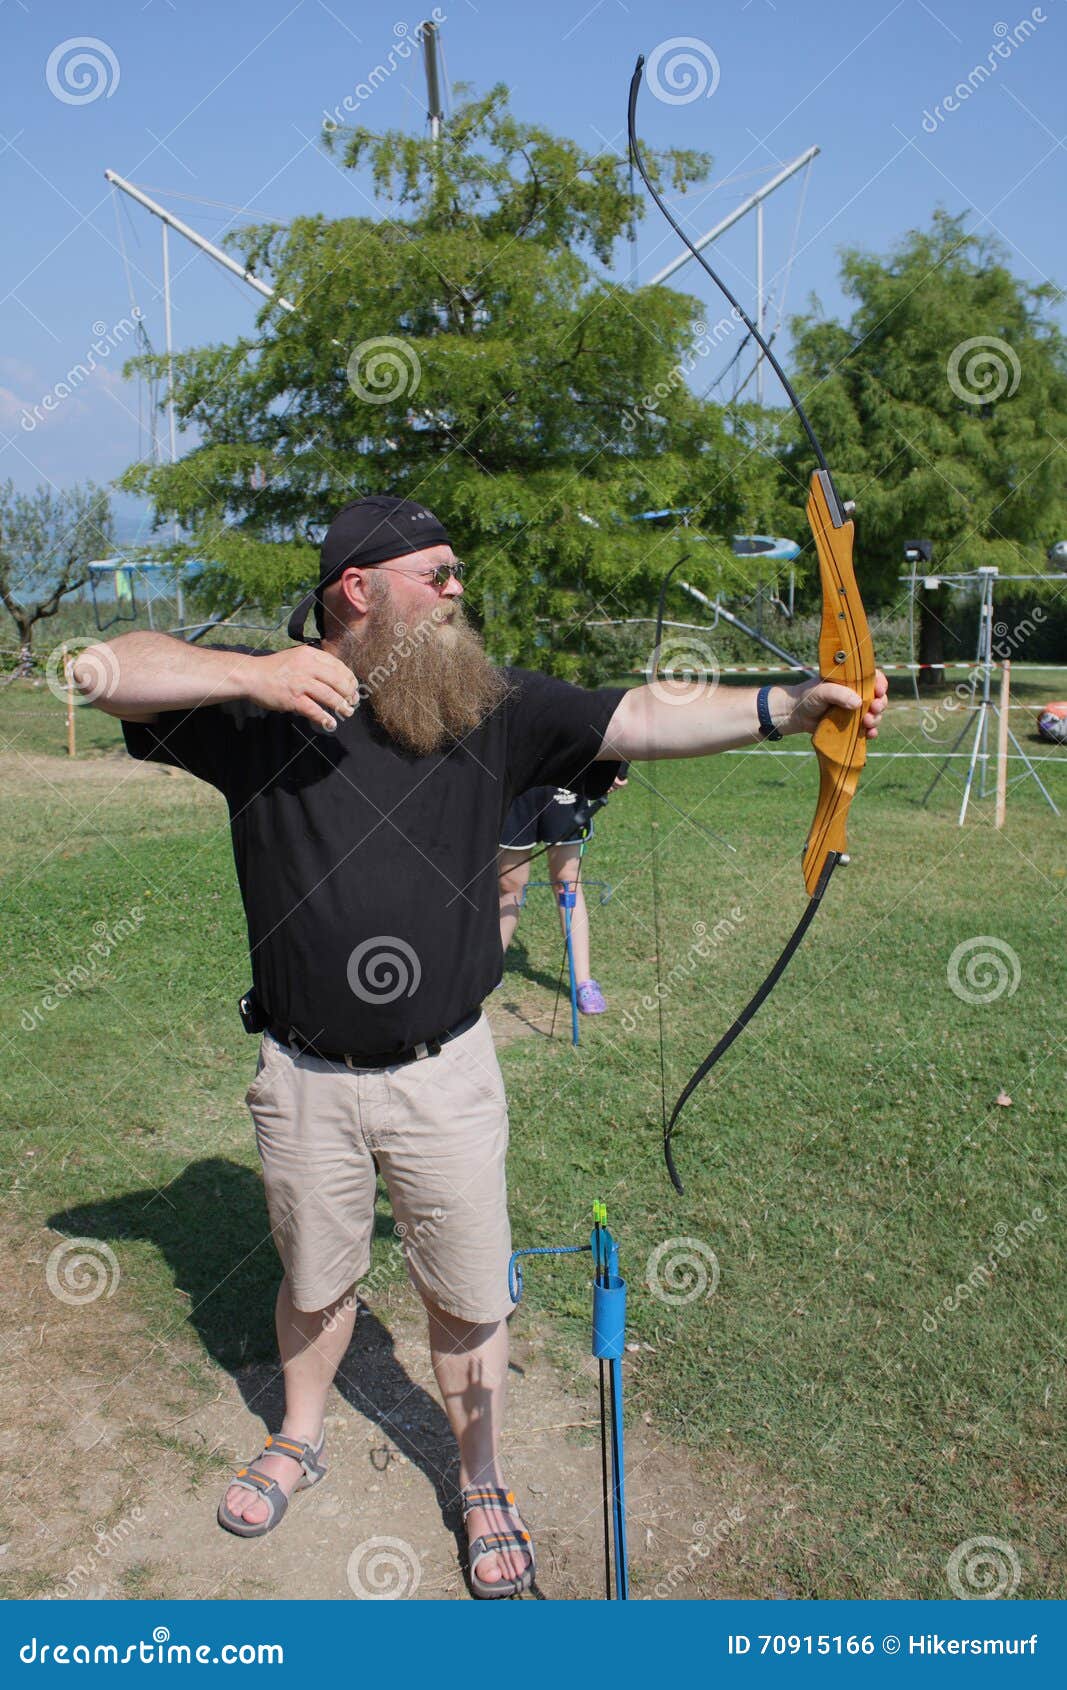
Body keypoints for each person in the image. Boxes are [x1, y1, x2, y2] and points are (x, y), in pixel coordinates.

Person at [77, 493, 887, 1598]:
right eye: (438, 572)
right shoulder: (258, 711)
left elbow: (640, 715)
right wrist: (250, 673)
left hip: (442, 1074)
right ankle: (298, 1434)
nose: (459, 588)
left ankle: (481, 1476)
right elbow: (102, 668)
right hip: (306, 1074)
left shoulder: (488, 705)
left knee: (465, 1296)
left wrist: (787, 704)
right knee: (314, 1282)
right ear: (354, 590)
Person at [498, 774, 628, 1014]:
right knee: (509, 885)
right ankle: (489, 970)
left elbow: (607, 735)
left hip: (565, 780)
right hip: (519, 783)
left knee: (567, 882)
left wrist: (616, 767)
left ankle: (584, 983)